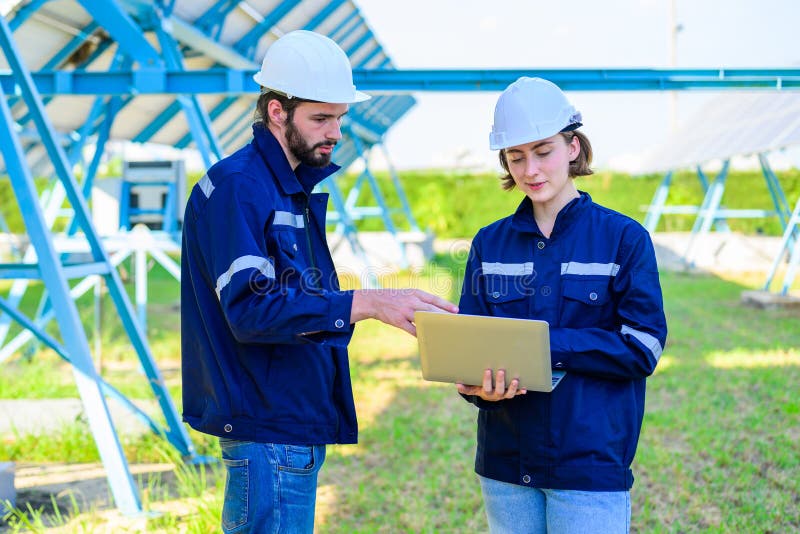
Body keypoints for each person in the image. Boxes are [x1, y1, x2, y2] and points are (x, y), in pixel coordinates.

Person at [180, 30, 457, 533]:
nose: (335, 132)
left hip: (287, 420)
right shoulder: (242, 188)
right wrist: (367, 302)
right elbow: (250, 309)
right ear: (277, 112)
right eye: (321, 118)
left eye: (339, 118)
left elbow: (291, 295)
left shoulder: (284, 190)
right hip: (269, 426)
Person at [456, 77, 668, 533]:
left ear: (573, 147)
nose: (530, 169)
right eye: (516, 156)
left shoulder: (623, 239)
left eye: (543, 151)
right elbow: (469, 349)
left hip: (588, 466)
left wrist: (542, 346)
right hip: (505, 465)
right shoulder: (489, 244)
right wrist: (477, 389)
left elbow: (644, 347)